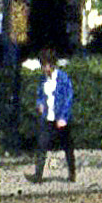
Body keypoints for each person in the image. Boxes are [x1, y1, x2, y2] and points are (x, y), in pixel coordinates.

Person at [28, 52, 77, 183]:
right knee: (42, 144)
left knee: (67, 146)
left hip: (60, 117)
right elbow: (40, 94)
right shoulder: (43, 79)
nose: (44, 69)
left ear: (52, 65)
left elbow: (68, 98)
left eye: (46, 66)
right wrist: (39, 104)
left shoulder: (62, 78)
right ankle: (38, 175)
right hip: (47, 117)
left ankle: (72, 173)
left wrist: (64, 117)